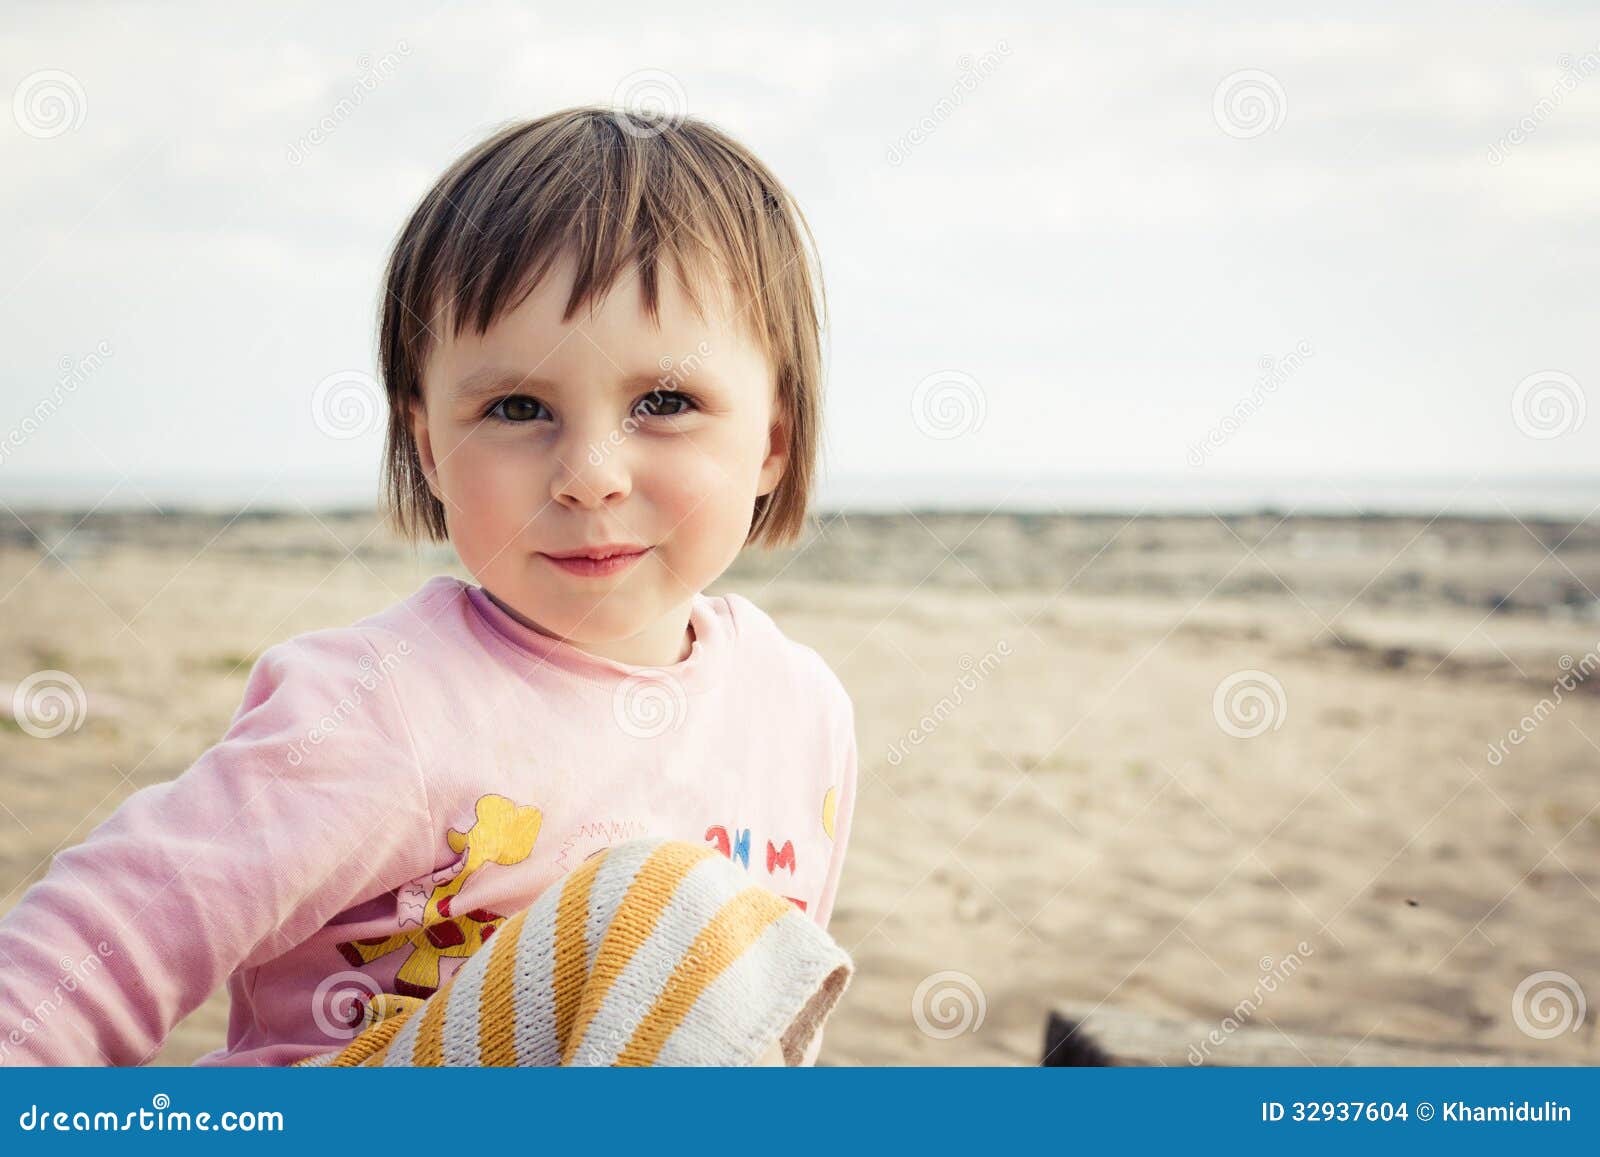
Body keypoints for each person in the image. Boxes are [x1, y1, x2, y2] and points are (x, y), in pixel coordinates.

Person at [0, 106, 858, 1067]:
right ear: (429, 450)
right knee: (662, 899)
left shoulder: (800, 708)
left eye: (664, 403)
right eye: (517, 407)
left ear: (773, 442)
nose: (589, 473)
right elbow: (118, 924)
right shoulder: (385, 702)